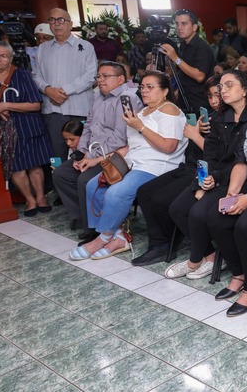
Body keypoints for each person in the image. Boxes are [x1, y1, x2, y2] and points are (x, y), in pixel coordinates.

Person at [69, 71, 187, 260]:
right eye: (142, 87)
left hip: (157, 165)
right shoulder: (142, 111)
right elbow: (129, 146)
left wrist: (140, 126)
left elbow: (168, 146)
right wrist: (99, 160)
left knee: (117, 192)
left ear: (165, 91)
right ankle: (118, 236)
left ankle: (103, 238)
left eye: (150, 87)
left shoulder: (169, 110)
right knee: (94, 185)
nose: (145, 91)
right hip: (134, 161)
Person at [163, 71, 247, 280]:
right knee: (178, 208)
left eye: (229, 85)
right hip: (216, 175)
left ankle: (194, 261)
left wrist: (216, 180)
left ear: (245, 90)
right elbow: (211, 153)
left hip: (238, 179)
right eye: (221, 87)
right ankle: (210, 256)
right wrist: (203, 182)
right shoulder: (220, 117)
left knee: (198, 213)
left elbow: (243, 162)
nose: (223, 91)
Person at [132, 74, 219, 266]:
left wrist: (196, 135)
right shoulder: (212, 117)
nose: (214, 101)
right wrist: (200, 132)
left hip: (211, 172)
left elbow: (220, 157)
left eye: (218, 95)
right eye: (210, 96)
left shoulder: (233, 121)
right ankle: (160, 244)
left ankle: (202, 249)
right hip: (191, 165)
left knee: (164, 201)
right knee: (144, 192)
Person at [53, 61, 141, 232]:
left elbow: (120, 138)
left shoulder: (127, 99)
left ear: (121, 79)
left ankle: (95, 228)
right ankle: (81, 216)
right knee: (61, 174)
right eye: (98, 76)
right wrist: (82, 152)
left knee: (85, 180)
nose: (100, 80)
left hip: (114, 156)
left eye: (106, 76)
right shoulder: (98, 96)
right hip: (92, 152)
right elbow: (88, 126)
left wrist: (92, 158)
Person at [0, 41, 53, 215]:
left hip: (28, 126)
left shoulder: (21, 74)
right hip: (2, 131)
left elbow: (35, 104)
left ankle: (40, 198)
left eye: (3, 56)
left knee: (34, 165)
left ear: (10, 59)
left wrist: (5, 105)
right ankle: (29, 200)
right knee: (15, 167)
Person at [33, 8, 97, 161]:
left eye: (61, 20)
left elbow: (90, 75)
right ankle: (59, 183)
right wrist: (48, 90)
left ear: (70, 24)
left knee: (83, 152)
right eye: (52, 20)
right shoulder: (43, 49)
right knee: (57, 154)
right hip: (53, 110)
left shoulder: (85, 46)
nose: (56, 24)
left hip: (79, 108)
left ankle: (82, 185)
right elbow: (35, 75)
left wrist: (63, 91)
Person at [158, 9, 215, 114]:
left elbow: (199, 76)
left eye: (184, 24)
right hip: (185, 98)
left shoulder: (202, 47)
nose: (179, 28)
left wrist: (176, 58)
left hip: (199, 101)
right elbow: (184, 69)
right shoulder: (184, 45)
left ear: (194, 27)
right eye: (177, 24)